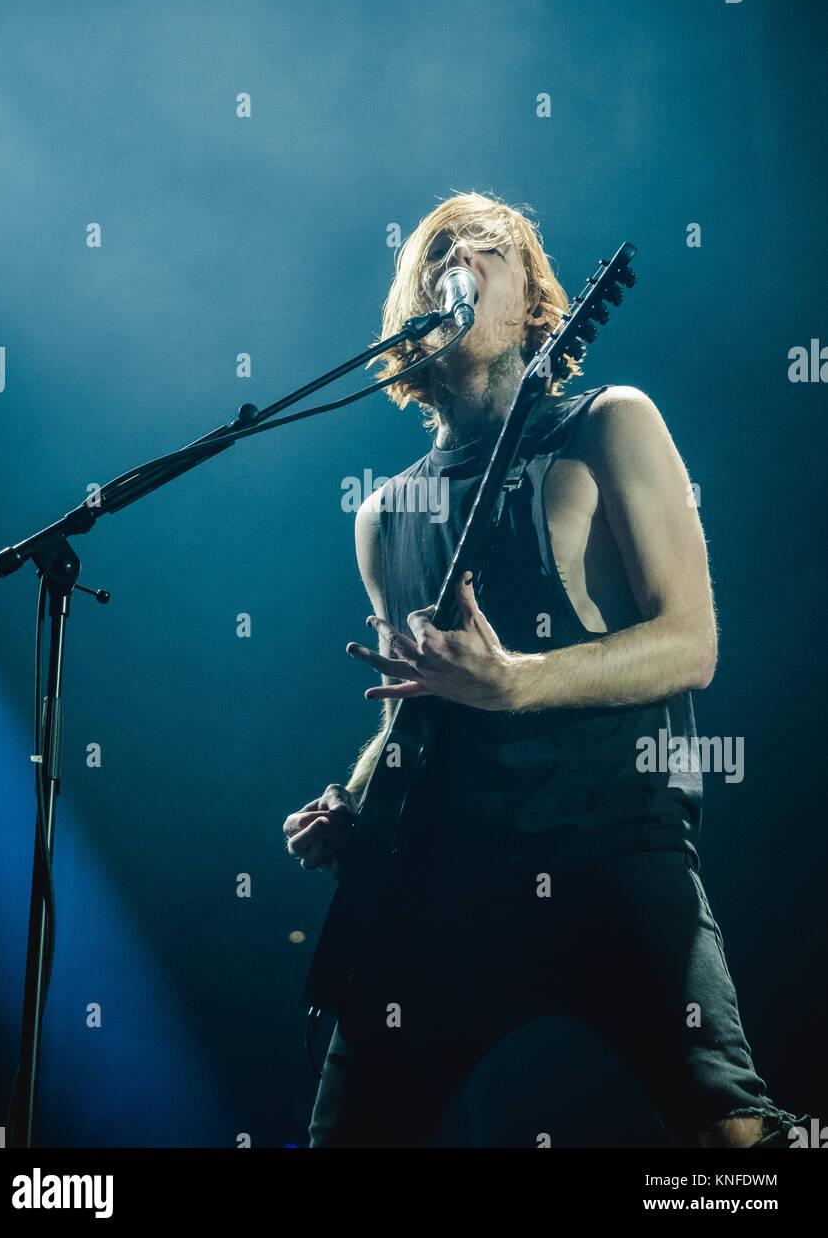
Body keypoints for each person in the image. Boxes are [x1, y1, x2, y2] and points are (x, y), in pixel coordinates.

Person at [284, 191, 806, 1149]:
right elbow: (420, 701)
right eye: (436, 251)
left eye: (484, 251)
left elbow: (690, 642)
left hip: (610, 845)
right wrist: (355, 798)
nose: (457, 260)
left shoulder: (610, 424)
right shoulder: (383, 514)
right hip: (438, 879)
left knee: (731, 1136)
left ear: (537, 307)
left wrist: (516, 681)